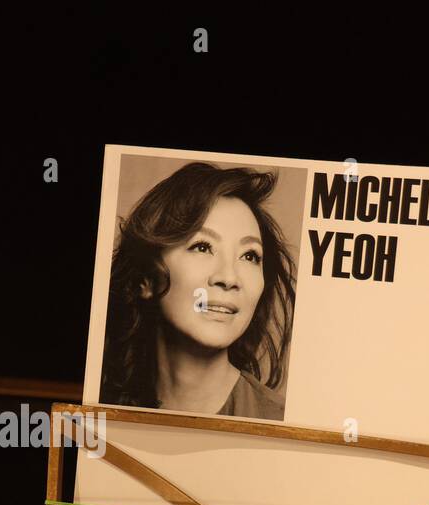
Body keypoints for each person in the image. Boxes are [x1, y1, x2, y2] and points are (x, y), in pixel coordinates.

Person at [99, 162, 296, 419]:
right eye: (202, 247)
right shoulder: (98, 408)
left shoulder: (278, 423)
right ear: (145, 278)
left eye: (249, 256)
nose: (228, 277)